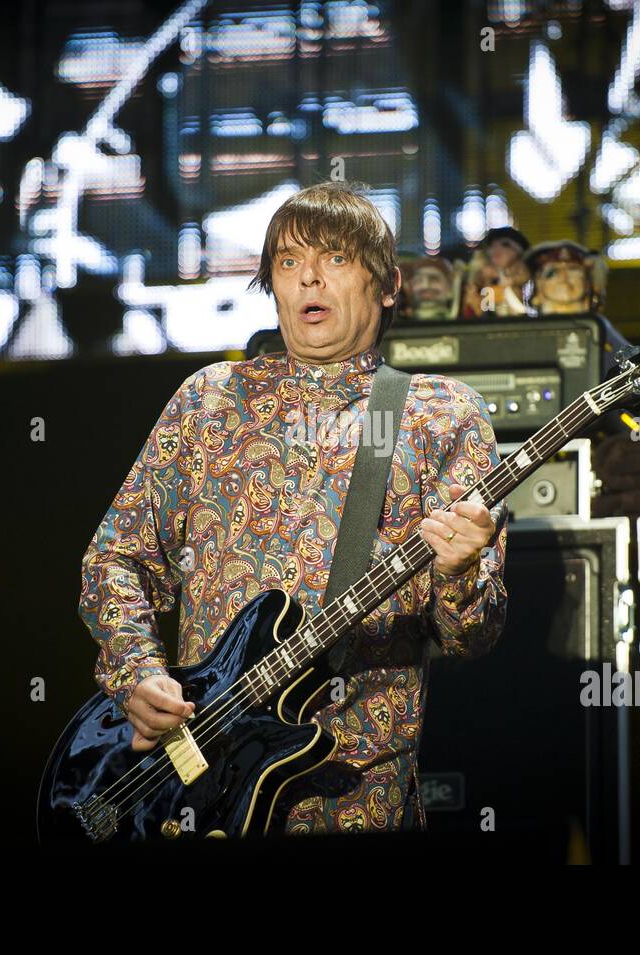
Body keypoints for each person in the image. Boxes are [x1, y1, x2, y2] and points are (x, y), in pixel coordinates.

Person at [77, 180, 509, 834]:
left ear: (388, 284)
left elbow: (472, 635)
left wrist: (461, 572)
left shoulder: (440, 416)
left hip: (358, 802)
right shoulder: (208, 401)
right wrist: (138, 670)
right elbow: (115, 558)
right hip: (198, 795)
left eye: (335, 257)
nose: (308, 277)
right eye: (287, 262)